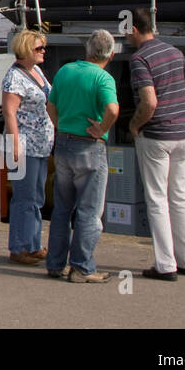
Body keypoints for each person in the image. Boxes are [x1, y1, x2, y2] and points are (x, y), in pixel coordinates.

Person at [126, 9, 185, 281]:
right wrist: (183, 114)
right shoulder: (174, 51)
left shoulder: (139, 59)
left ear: (134, 29)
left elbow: (149, 102)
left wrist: (135, 125)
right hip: (183, 135)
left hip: (156, 136)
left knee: (157, 199)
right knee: (180, 197)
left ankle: (165, 265)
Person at [44, 29, 119, 283]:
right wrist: (102, 128)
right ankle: (81, 268)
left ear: (87, 49)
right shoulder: (103, 78)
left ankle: (55, 264)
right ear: (110, 54)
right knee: (89, 211)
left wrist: (61, 125)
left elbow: (50, 106)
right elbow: (112, 109)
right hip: (90, 146)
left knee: (62, 208)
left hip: (63, 143)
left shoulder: (65, 71)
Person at [0, 29, 55, 264]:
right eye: (38, 48)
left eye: (43, 47)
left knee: (37, 196)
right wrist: (14, 144)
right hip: (25, 146)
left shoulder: (36, 72)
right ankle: (19, 247)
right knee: (24, 197)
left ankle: (32, 244)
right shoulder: (14, 78)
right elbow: (9, 112)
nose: (43, 51)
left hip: (40, 145)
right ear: (25, 50)